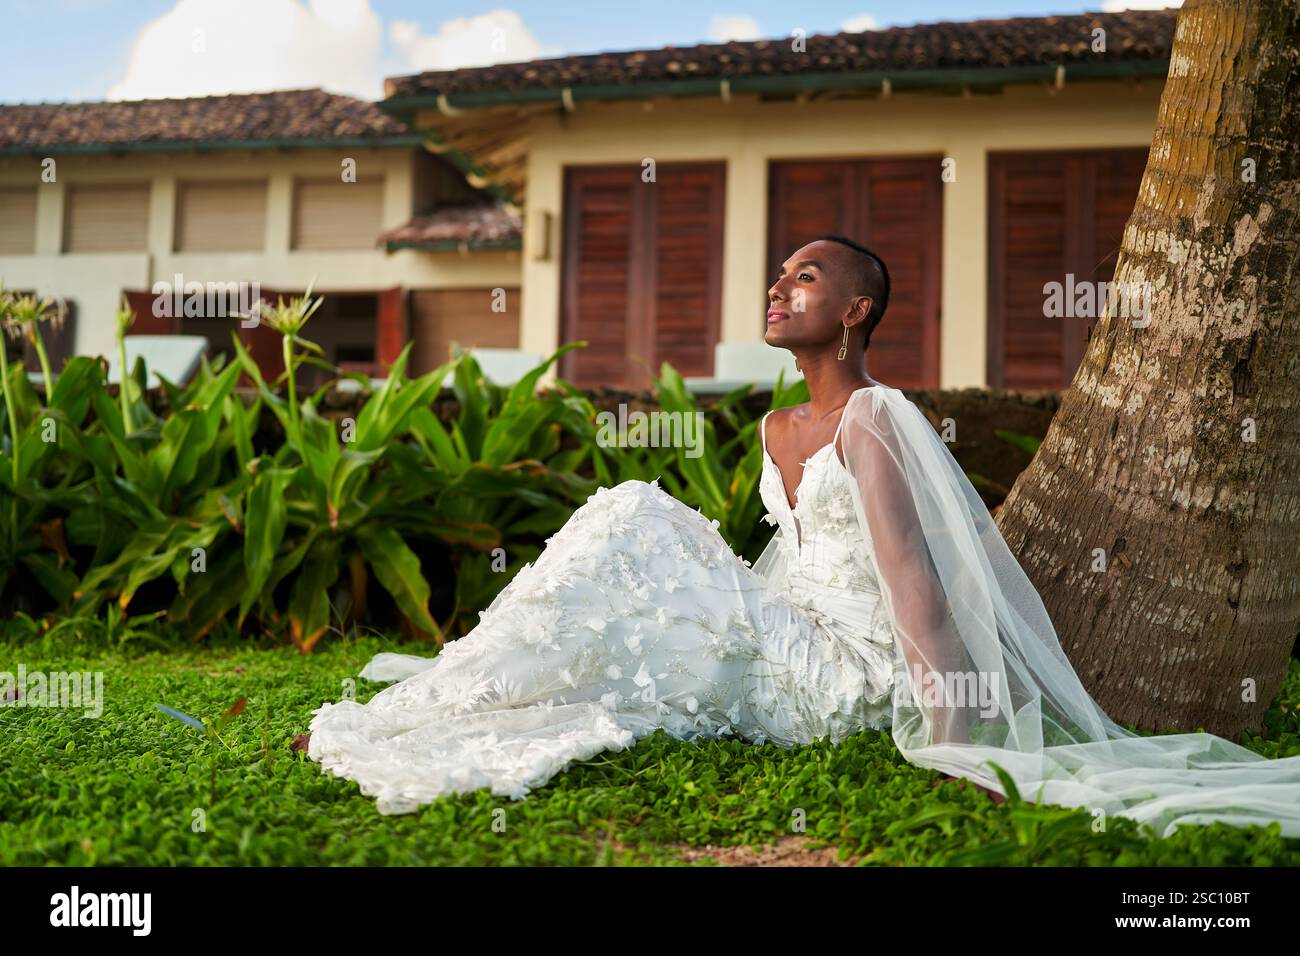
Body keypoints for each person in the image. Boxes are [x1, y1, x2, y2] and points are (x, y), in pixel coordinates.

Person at [307, 236, 1300, 838]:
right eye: (778, 275)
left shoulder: (875, 418)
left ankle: (457, 685)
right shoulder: (773, 428)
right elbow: (781, 563)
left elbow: (913, 585)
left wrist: (958, 744)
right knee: (634, 567)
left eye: (807, 277)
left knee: (629, 511)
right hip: (790, 635)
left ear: (855, 310)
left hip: (849, 674)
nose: (780, 289)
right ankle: (463, 692)